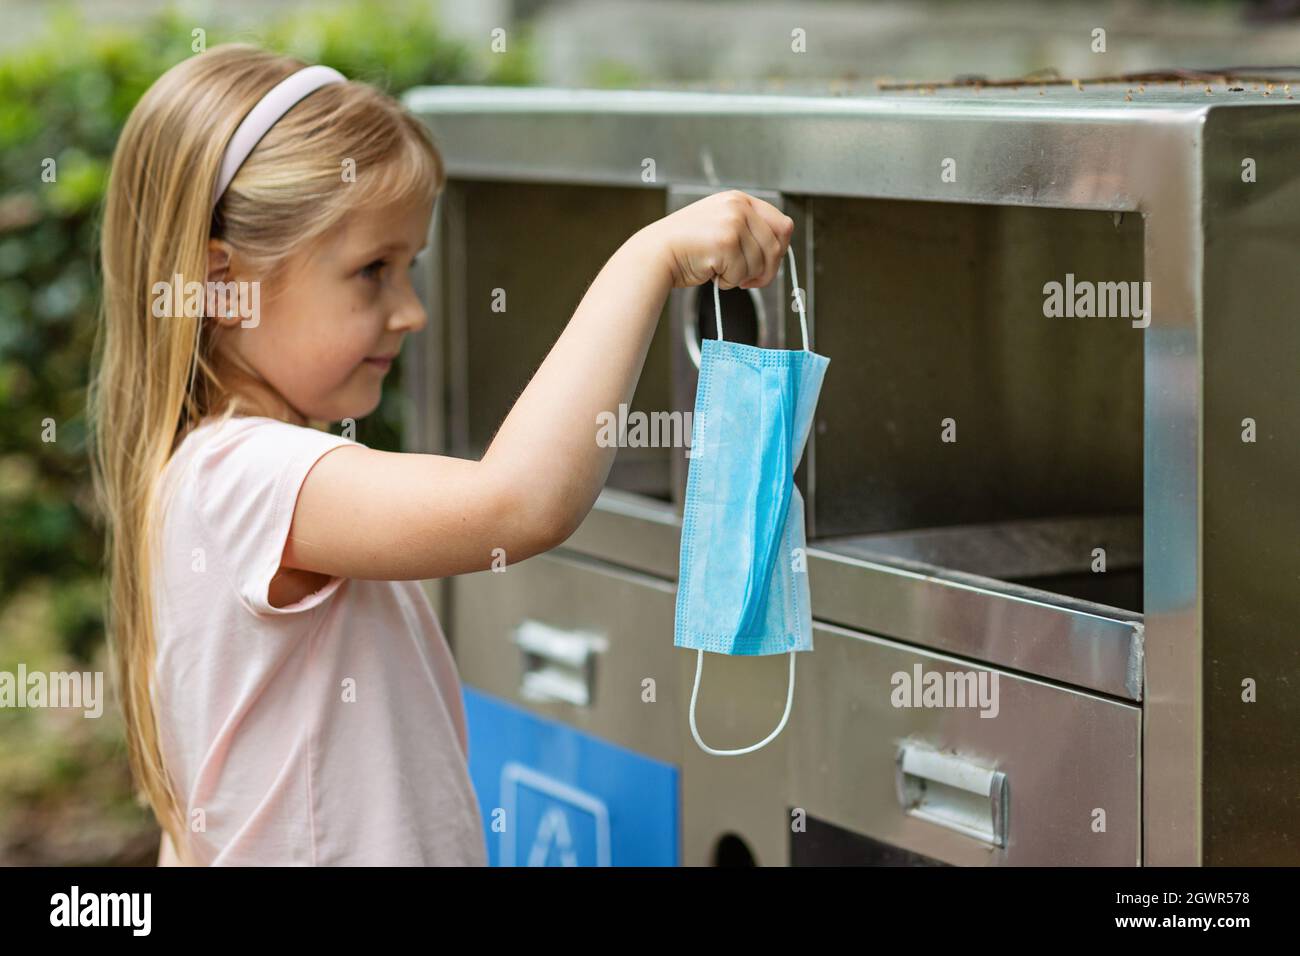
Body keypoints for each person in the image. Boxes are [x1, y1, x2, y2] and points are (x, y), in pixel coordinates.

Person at [90, 43, 793, 865]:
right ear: (222, 285)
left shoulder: (215, 480)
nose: (411, 312)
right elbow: (517, 504)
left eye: (410, 268)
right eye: (372, 272)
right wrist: (648, 259)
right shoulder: (240, 476)